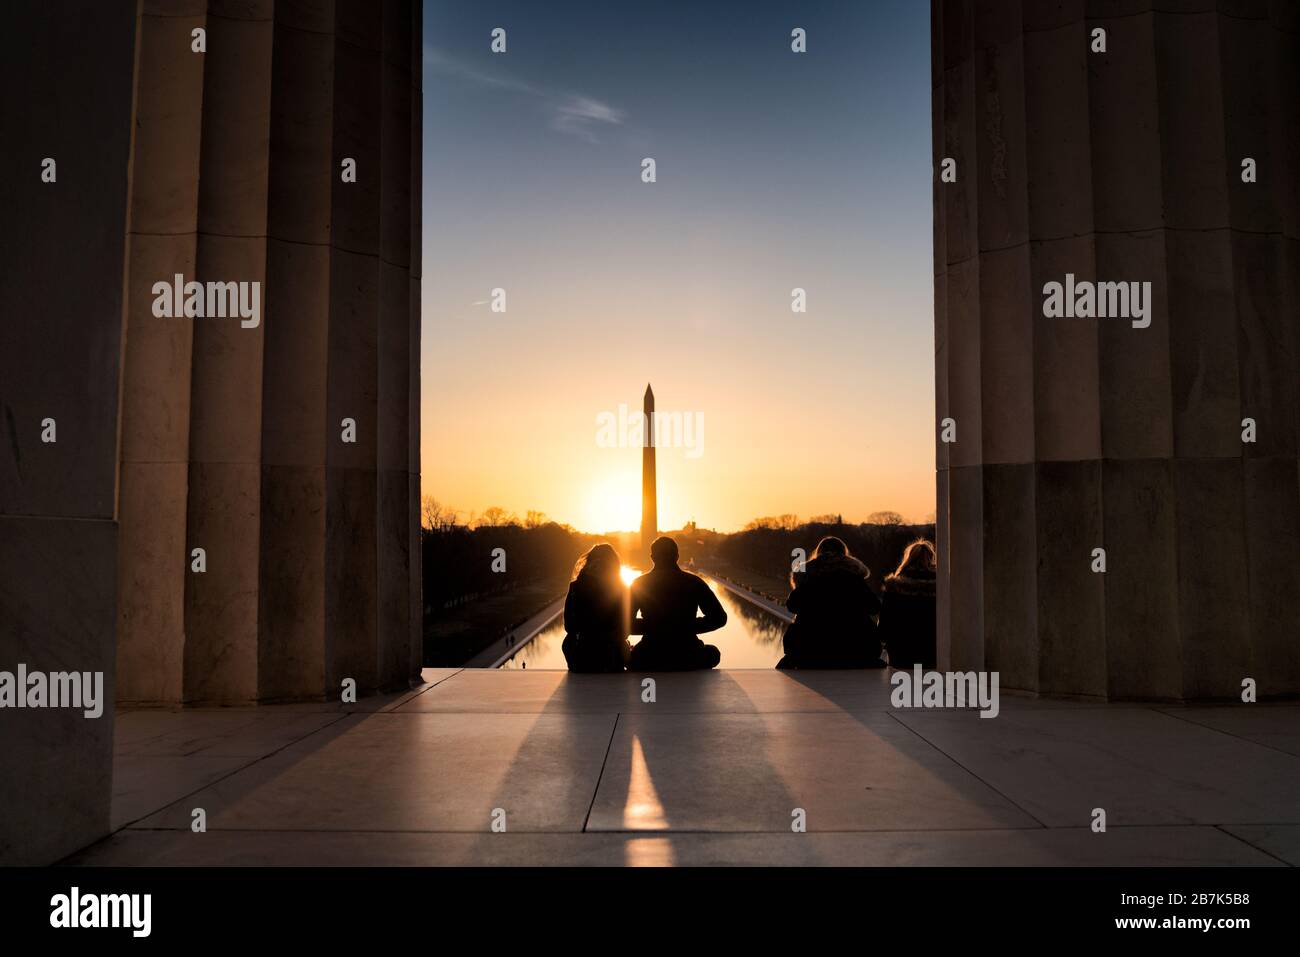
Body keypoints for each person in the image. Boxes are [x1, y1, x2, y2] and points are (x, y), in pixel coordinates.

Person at [778, 535, 885, 669]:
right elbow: (874, 607)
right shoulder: (854, 579)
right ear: (844, 554)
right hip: (855, 648)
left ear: (819, 554)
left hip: (810, 648)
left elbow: (792, 605)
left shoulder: (810, 579)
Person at [628, 536, 724, 670]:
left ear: (652, 557)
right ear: (677, 556)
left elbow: (624, 622)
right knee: (713, 652)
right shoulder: (694, 582)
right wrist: (685, 627)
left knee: (629, 656)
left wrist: (654, 627)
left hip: (650, 653)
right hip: (688, 652)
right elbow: (719, 618)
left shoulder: (639, 583)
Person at [561, 543, 631, 673]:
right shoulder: (622, 589)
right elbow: (625, 630)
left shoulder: (576, 587)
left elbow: (569, 626)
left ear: (589, 563)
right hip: (611, 657)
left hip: (581, 657)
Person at [878, 539, 937, 669]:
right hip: (932, 651)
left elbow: (884, 626)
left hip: (901, 652)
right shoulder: (941, 589)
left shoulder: (894, 587)